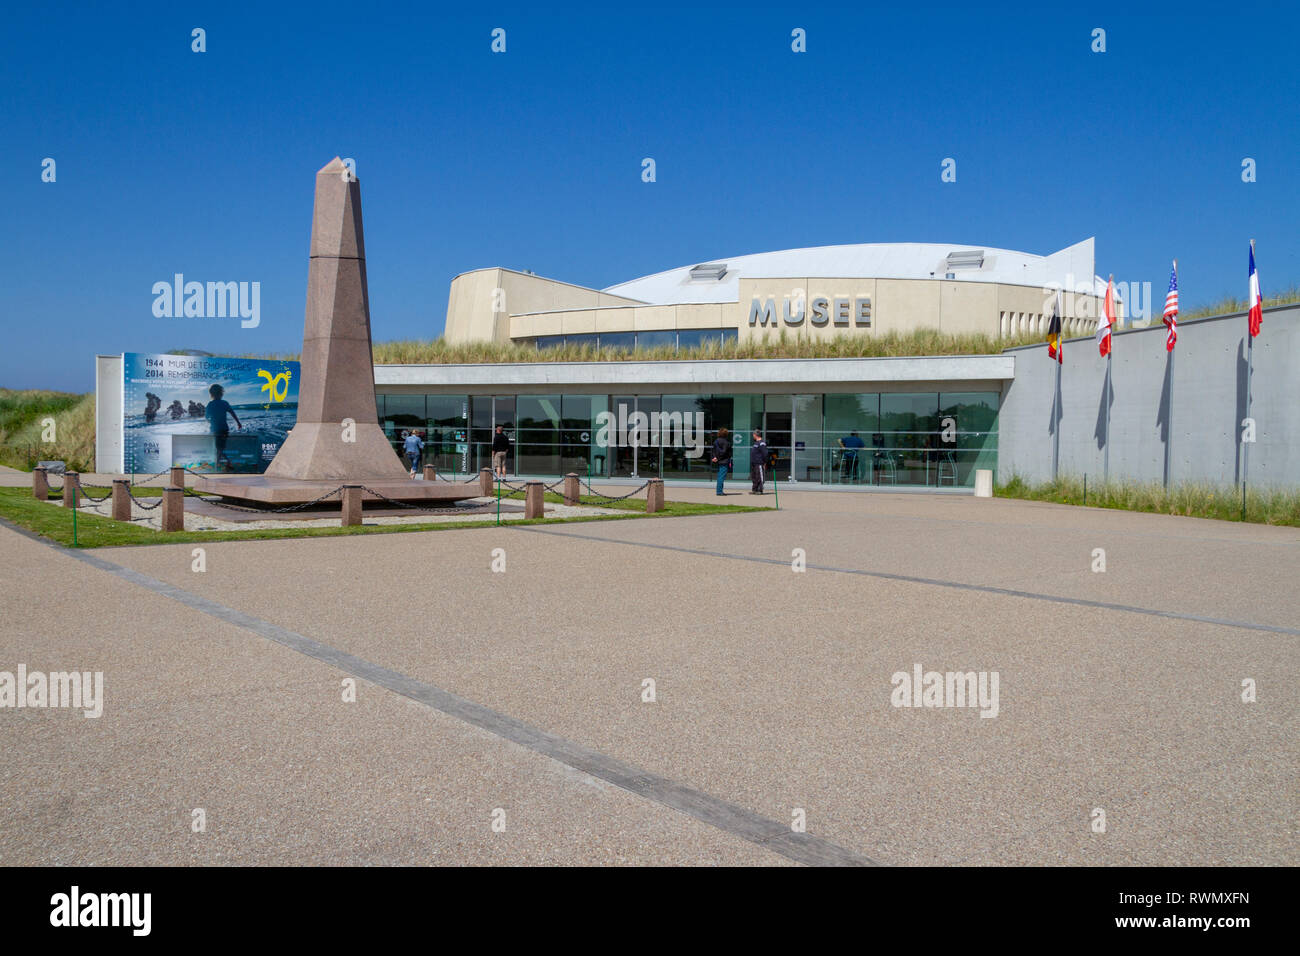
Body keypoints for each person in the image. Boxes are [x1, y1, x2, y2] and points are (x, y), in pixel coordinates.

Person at [204, 384, 242, 471]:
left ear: (211, 394)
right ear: (221, 393)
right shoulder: (224, 403)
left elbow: (206, 417)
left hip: (215, 429)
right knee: (221, 448)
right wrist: (238, 423)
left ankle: (219, 465)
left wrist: (211, 421)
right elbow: (232, 413)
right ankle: (226, 463)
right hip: (224, 429)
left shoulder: (210, 404)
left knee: (219, 448)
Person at [710, 427, 732, 496]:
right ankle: (719, 491)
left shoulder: (716, 441)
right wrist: (718, 458)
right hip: (724, 461)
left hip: (718, 461)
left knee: (720, 476)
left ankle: (719, 491)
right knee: (721, 477)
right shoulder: (726, 442)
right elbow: (724, 452)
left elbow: (713, 451)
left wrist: (714, 457)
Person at [749, 430, 768, 494]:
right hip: (754, 463)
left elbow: (765, 453)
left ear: (755, 435)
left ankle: (760, 490)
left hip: (759, 463)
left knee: (759, 476)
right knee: (754, 477)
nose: (753, 436)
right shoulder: (756, 443)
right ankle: (755, 489)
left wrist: (764, 462)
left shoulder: (762, 443)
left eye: (753, 435)